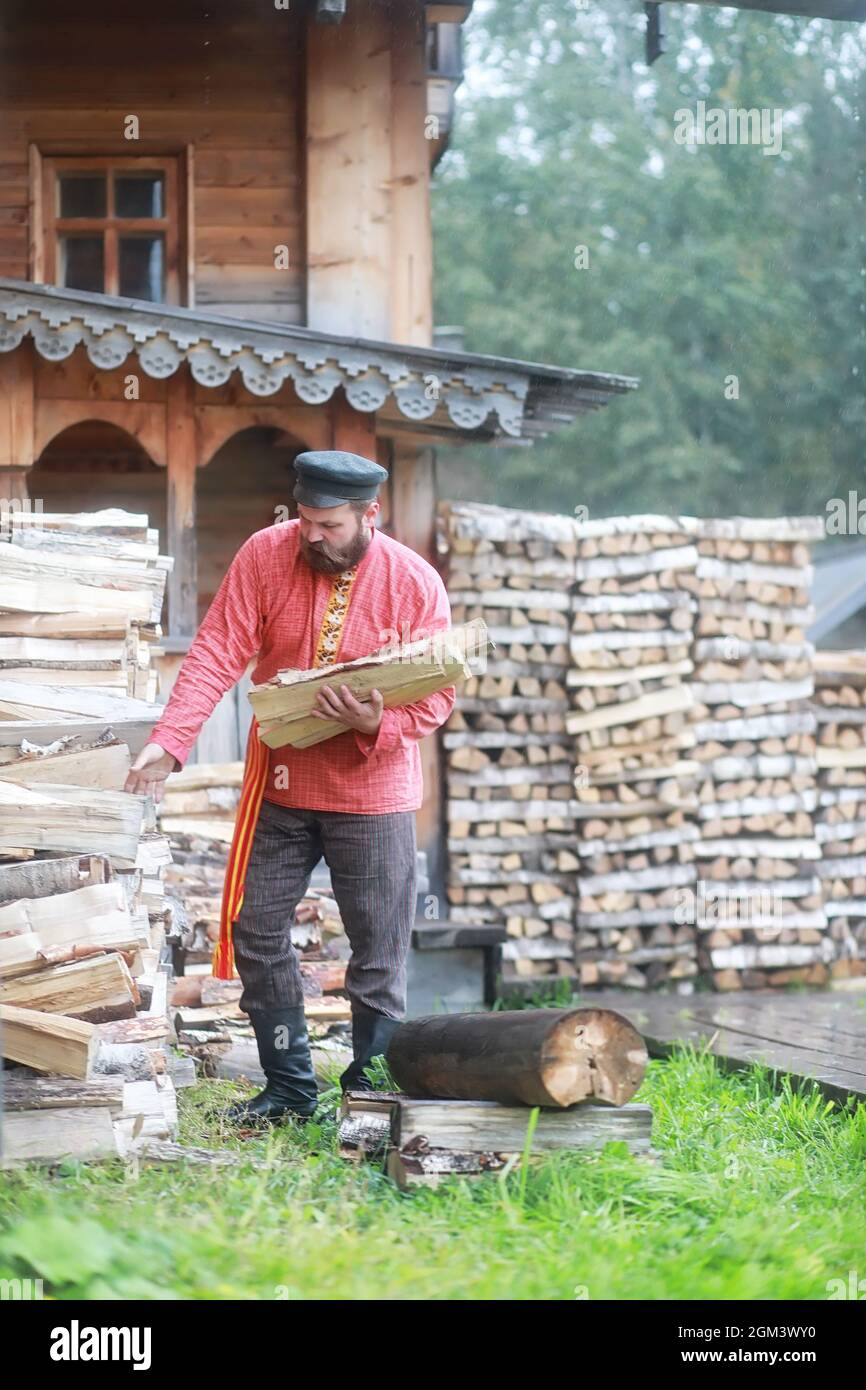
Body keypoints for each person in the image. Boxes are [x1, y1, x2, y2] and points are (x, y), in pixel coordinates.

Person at [125, 450, 455, 1124]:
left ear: (371, 515)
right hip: (280, 786)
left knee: (378, 959)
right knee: (257, 933)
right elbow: (218, 648)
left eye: (329, 525)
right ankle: (289, 1091)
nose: (311, 535)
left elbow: (438, 696)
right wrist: (172, 738)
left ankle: (369, 1100)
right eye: (304, 519)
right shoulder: (264, 554)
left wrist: (380, 722)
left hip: (375, 797)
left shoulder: (416, 583)